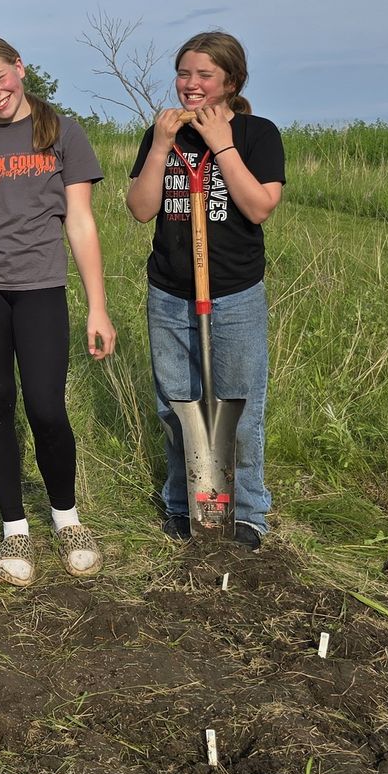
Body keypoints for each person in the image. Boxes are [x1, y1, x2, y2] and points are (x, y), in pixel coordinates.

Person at [0, 35, 115, 587]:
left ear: (19, 69)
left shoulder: (62, 131)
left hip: (40, 286)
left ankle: (67, 517)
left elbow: (81, 222)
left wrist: (98, 308)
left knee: (45, 405)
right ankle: (14, 526)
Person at [125, 31, 285, 549]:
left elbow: (259, 207)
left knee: (238, 408)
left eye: (205, 75)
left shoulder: (259, 133)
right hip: (170, 291)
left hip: (234, 292)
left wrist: (222, 145)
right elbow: (141, 207)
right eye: (184, 73)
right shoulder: (162, 134)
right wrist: (162, 144)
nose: (191, 85)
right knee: (177, 405)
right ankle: (183, 503)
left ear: (230, 82)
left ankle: (247, 510)